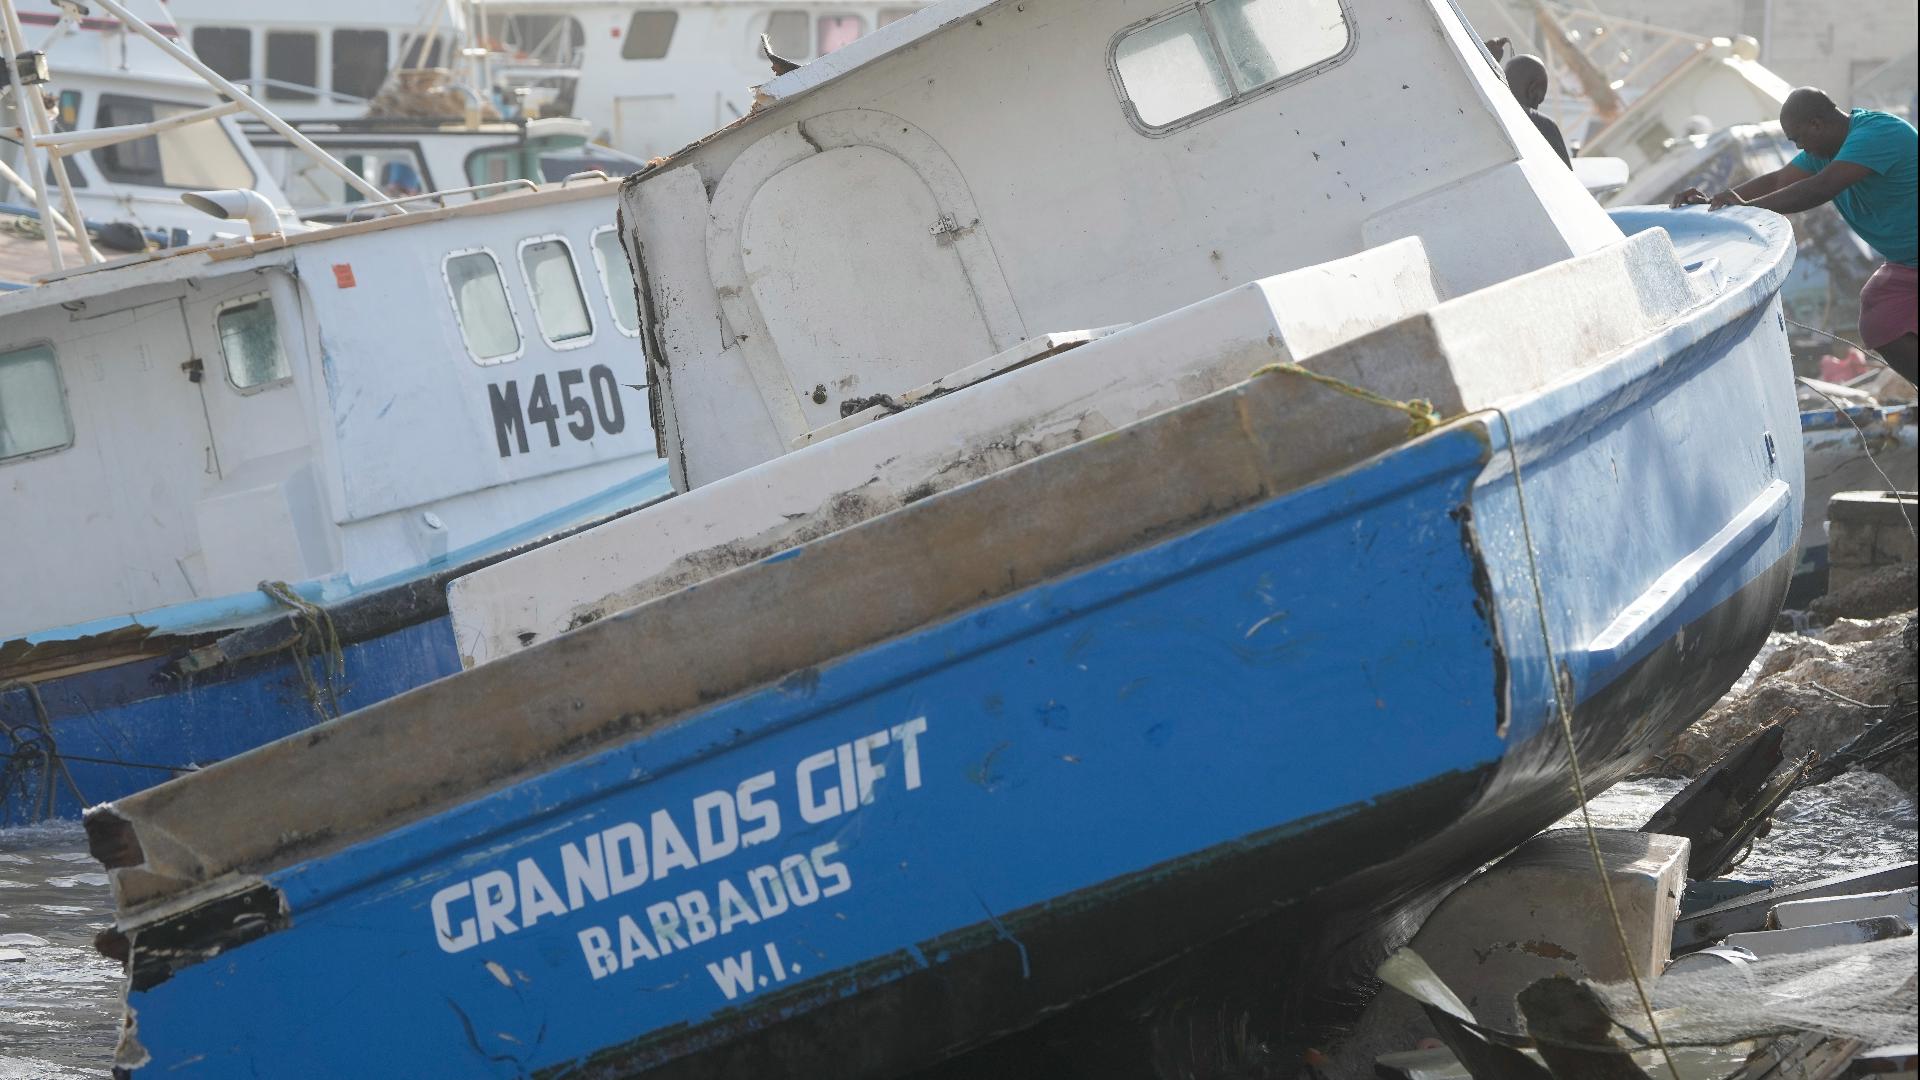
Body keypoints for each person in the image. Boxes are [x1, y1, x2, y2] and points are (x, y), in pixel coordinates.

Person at [1671, 88, 1918, 384]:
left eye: (1798, 138)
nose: (1800, 147)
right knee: (1880, 317)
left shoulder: (1876, 134)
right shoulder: (1827, 150)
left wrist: (1748, 209)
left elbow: (1820, 188)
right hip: (1907, 263)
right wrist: (1713, 202)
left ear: (1816, 124)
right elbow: (1778, 180)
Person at [1504, 54, 1572, 167]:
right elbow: (1566, 181)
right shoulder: (1543, 125)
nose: (1541, 101)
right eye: (1542, 93)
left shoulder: (1480, 115)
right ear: (1533, 89)